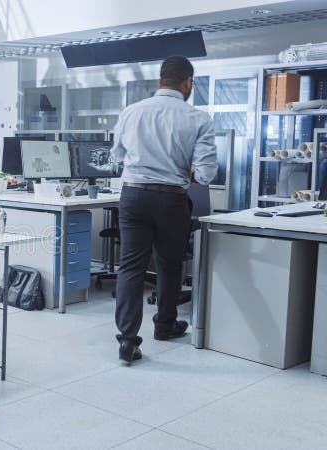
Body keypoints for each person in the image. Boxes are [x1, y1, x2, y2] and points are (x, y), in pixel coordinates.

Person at [111, 55, 217, 365]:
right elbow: (207, 174)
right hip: (171, 198)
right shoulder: (197, 118)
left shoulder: (131, 112)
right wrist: (186, 170)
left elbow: (117, 156)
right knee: (170, 264)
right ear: (188, 83)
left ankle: (127, 341)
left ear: (160, 81)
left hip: (132, 195)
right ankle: (165, 325)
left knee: (130, 267)